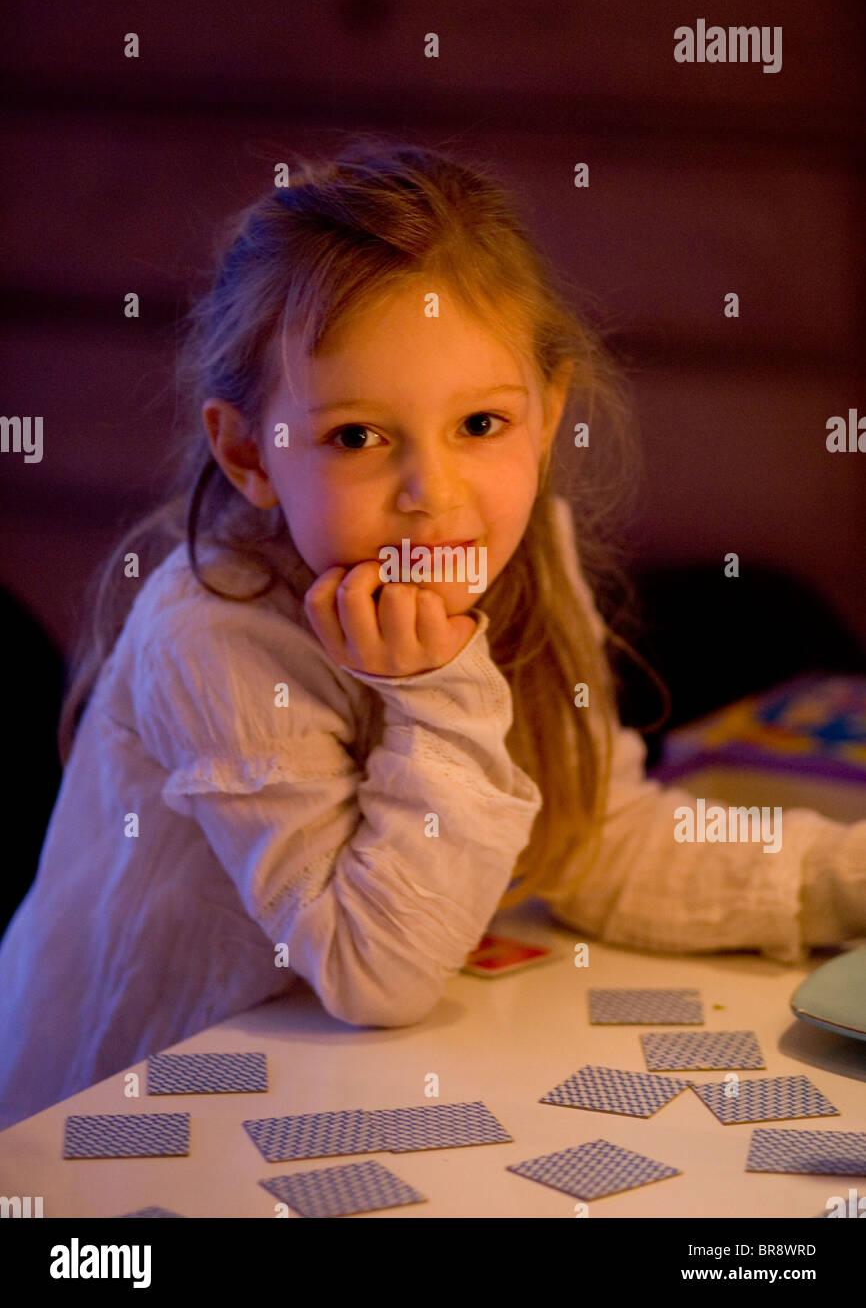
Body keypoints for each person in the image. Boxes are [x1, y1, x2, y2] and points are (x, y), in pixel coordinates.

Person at [0, 136, 862, 1132]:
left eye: (481, 425)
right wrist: (440, 685)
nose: (433, 495)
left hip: (317, 1100)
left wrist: (844, 880)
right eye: (357, 437)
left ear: (548, 414)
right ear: (248, 454)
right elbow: (377, 968)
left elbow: (589, 838)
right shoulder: (214, 634)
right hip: (110, 1134)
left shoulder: (527, 547)